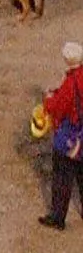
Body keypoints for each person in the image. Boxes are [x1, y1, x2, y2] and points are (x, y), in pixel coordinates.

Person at [43, 40, 83, 230]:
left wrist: (49, 99)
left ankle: (58, 217)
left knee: (62, 176)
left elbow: (58, 108)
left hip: (70, 135)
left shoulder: (70, 83)